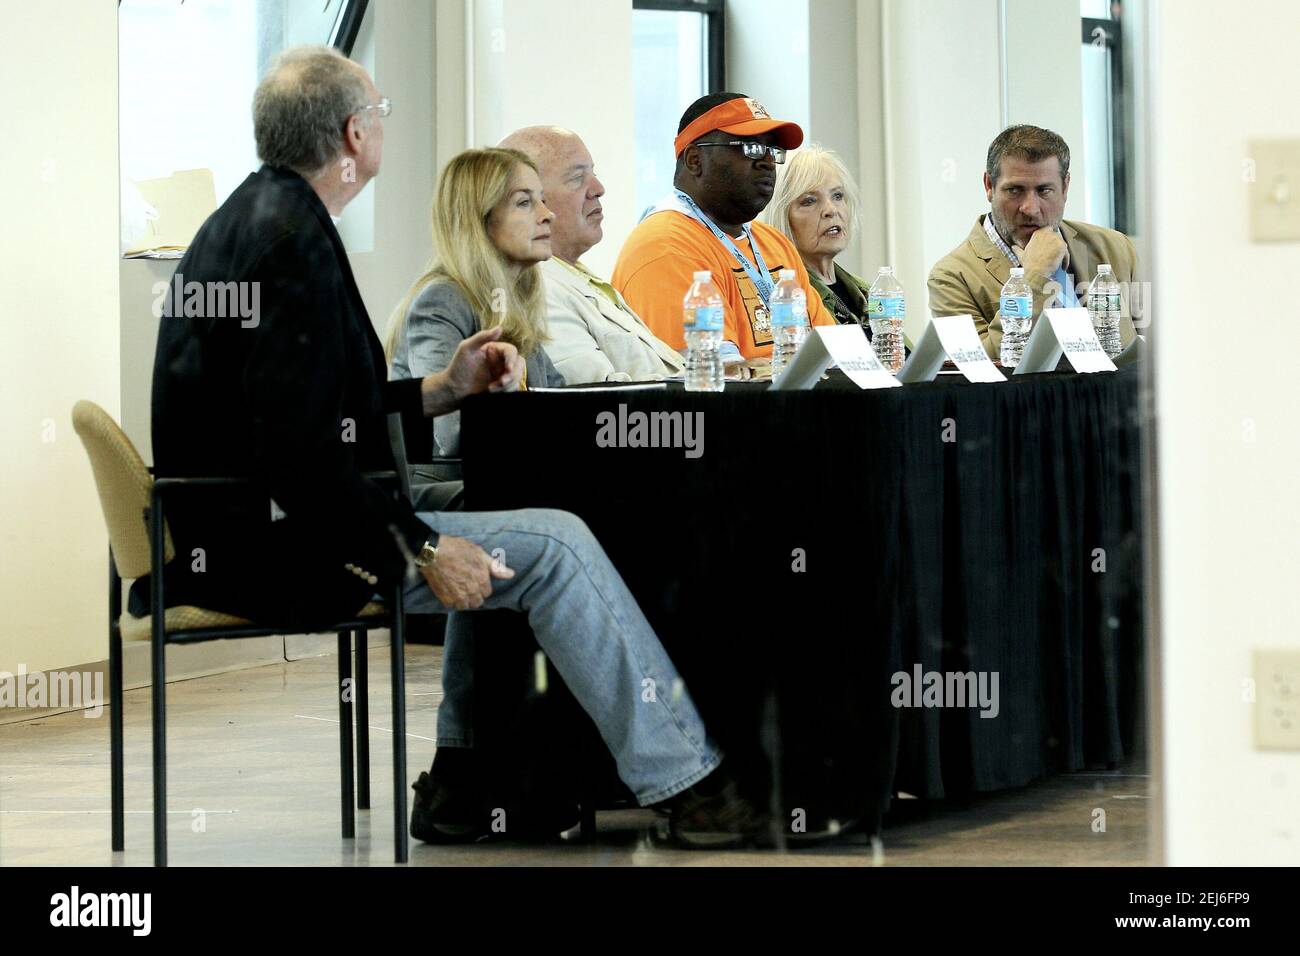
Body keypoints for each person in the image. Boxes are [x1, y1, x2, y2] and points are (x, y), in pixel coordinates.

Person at [144, 45, 771, 849]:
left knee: (511, 527)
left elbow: (319, 418)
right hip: (275, 550)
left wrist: (442, 390)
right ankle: (691, 782)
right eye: (380, 113)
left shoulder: (258, 215)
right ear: (353, 134)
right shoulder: (289, 241)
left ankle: (466, 784)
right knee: (560, 544)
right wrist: (422, 544)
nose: (382, 128)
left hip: (241, 528)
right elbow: (299, 454)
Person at [611, 93, 834, 371]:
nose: (766, 161)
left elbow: (829, 354)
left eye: (771, 151)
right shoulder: (665, 245)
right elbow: (718, 378)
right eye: (749, 148)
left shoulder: (773, 242)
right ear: (695, 160)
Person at [386, 147, 565, 458]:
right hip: (451, 489)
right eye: (524, 203)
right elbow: (450, 439)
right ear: (478, 220)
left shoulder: (513, 304)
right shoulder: (441, 301)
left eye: (543, 201)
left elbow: (562, 404)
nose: (548, 214)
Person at [928, 124, 1141, 359]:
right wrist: (1033, 276)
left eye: (1044, 190)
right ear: (989, 186)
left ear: (1065, 187)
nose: (1030, 208)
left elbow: (1159, 350)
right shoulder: (951, 277)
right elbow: (979, 368)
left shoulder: (1114, 248)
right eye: (1015, 190)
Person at [497, 126, 684, 383]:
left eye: (593, 173)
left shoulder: (574, 275)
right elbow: (595, 404)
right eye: (577, 178)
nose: (598, 188)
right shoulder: (535, 290)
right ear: (529, 199)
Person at [761, 144, 910, 351]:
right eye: (809, 201)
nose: (831, 210)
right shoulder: (785, 301)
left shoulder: (866, 291)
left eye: (838, 196)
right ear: (781, 215)